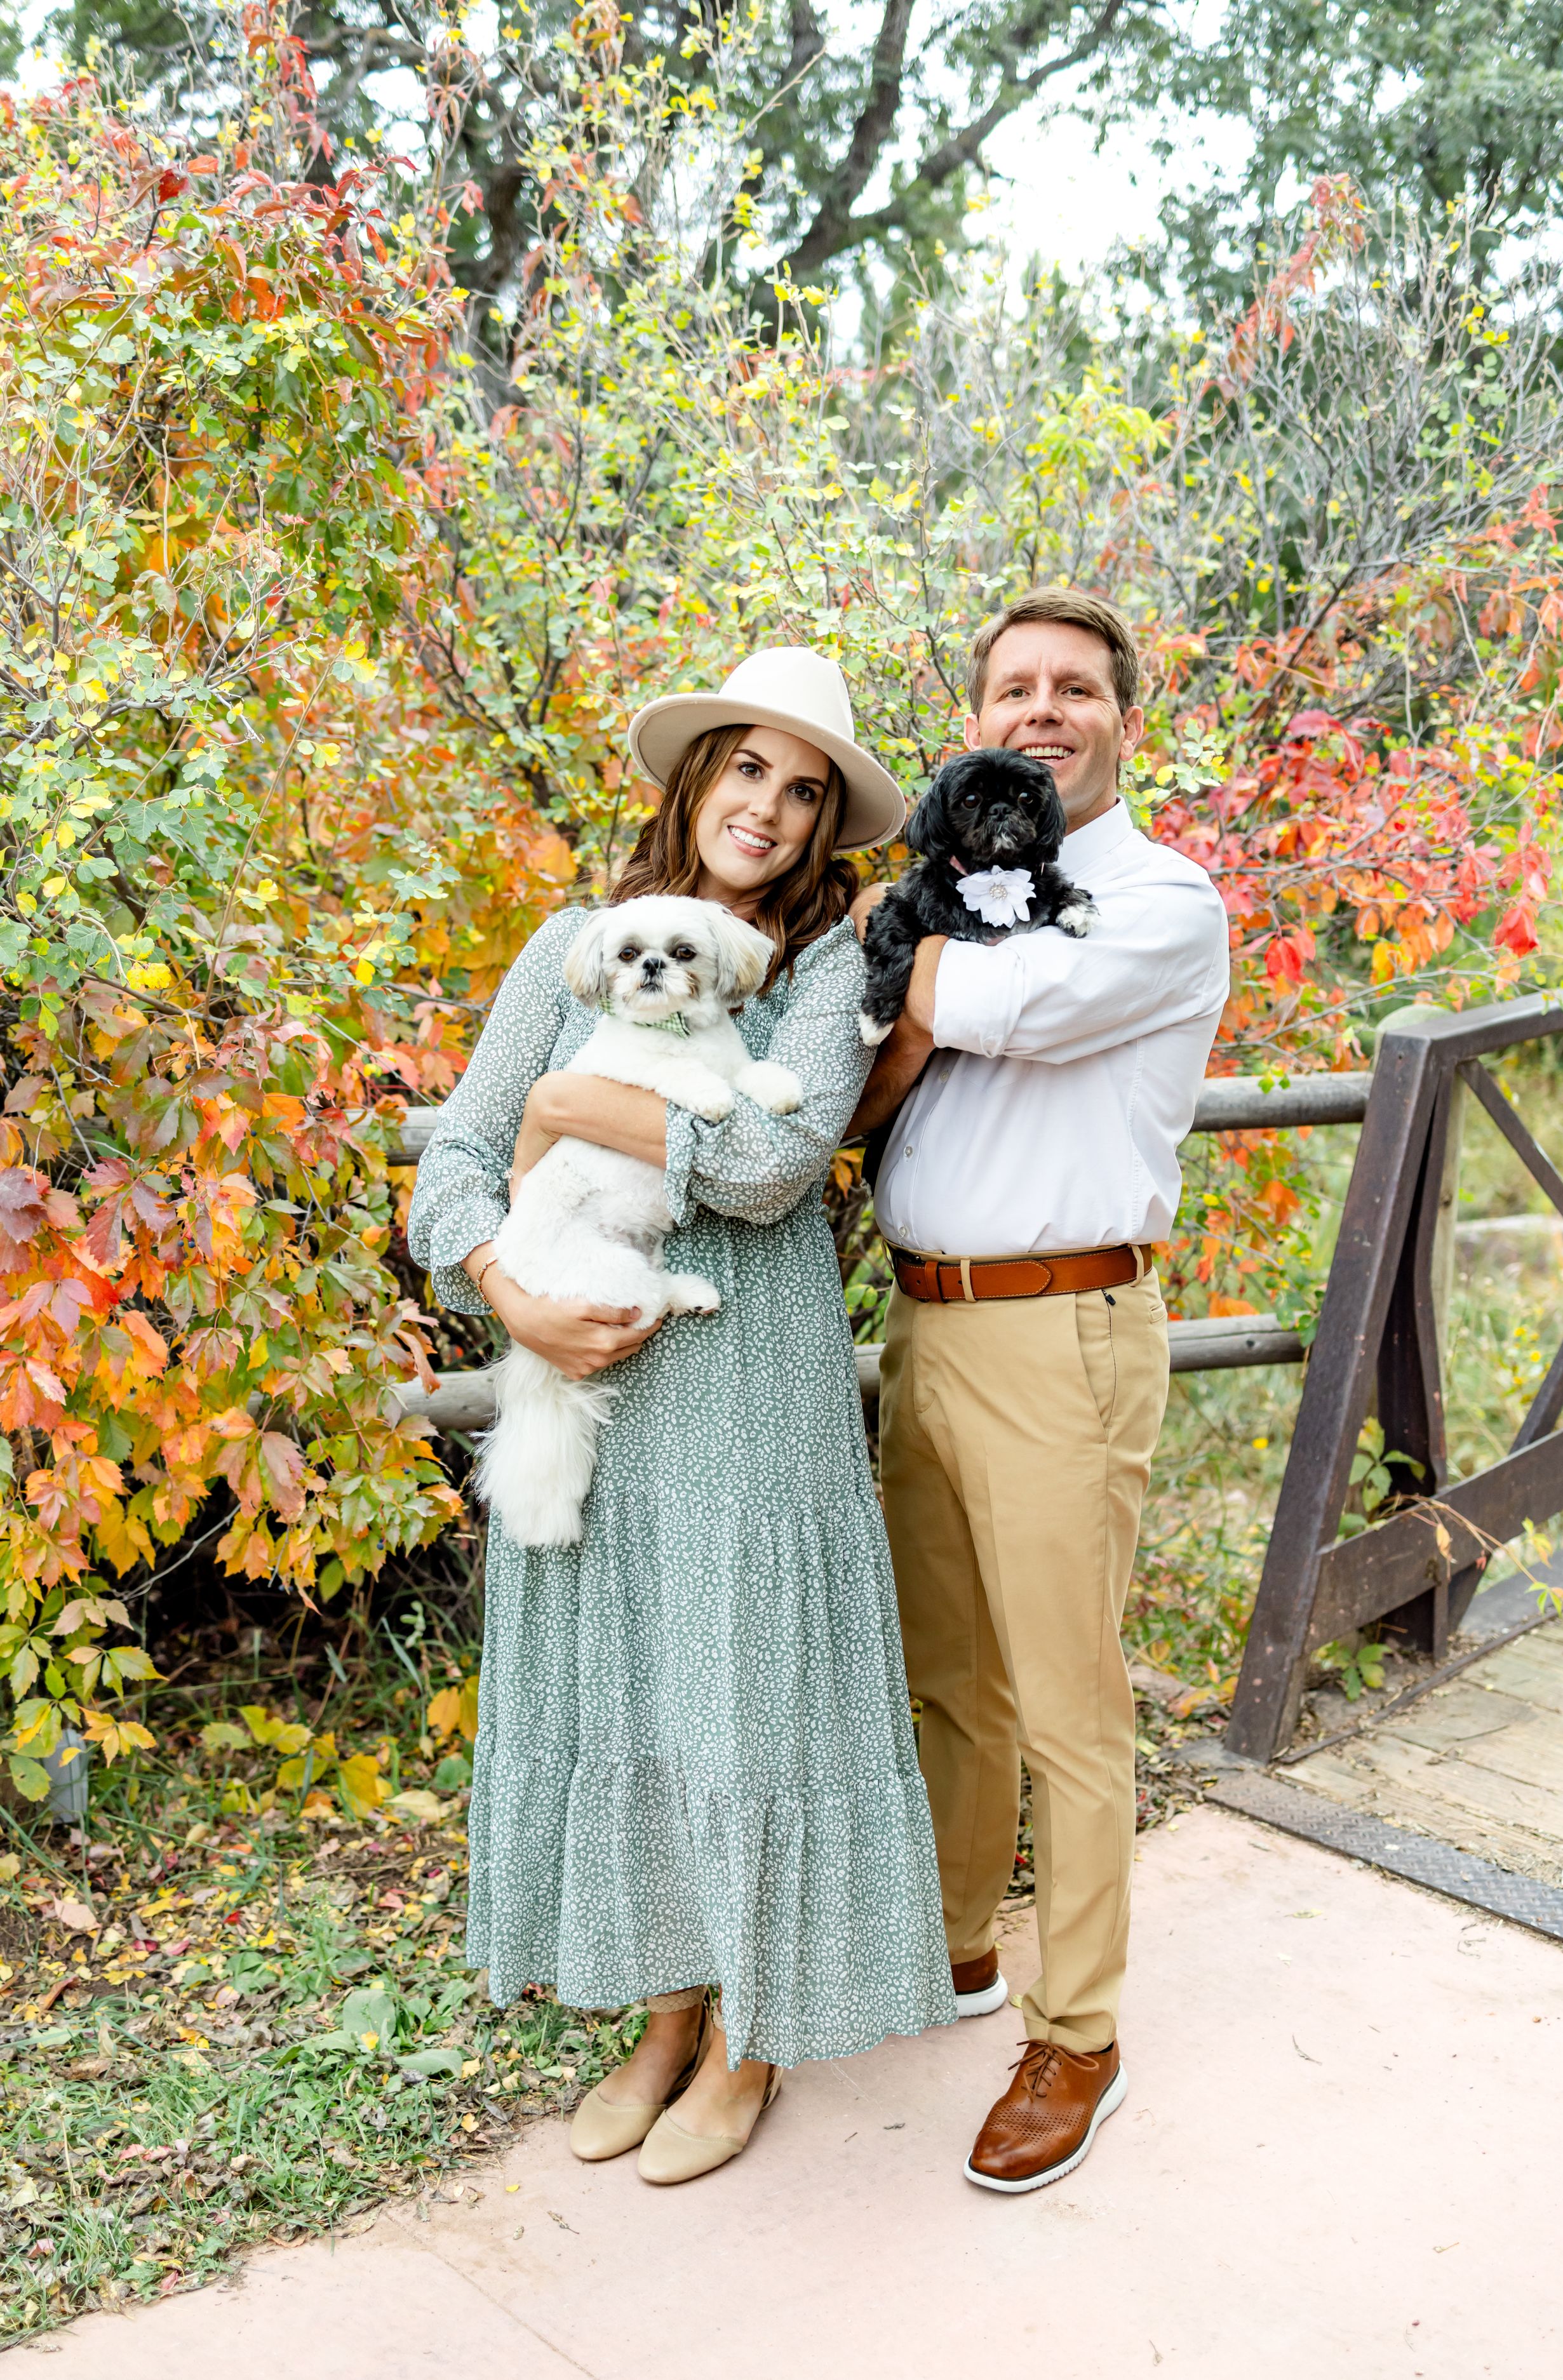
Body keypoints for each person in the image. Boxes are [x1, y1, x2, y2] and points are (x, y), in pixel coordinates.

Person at [407, 646, 955, 2188]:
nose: (769, 810)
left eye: (803, 790)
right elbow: (455, 1160)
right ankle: (661, 2013)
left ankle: (750, 2036)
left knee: (751, 1703)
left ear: (826, 821)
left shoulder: (837, 963)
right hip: (594, 1383)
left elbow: (771, 1174)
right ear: (694, 774)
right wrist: (506, 1291)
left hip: (752, 1396)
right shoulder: (572, 945)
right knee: (635, 1695)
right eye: (746, 771)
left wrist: (570, 1108)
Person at [851, 587, 1230, 2193]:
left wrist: (903, 954)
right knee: (949, 1671)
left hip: (1062, 1332)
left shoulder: (1159, 897)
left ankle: (1077, 2032)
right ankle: (952, 1942)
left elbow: (973, 1006)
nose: (1042, 710)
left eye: (1075, 687)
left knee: (1069, 1701)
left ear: (1122, 720)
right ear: (978, 712)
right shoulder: (958, 882)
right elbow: (887, 1056)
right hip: (924, 1328)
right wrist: (907, 962)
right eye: (1013, 687)